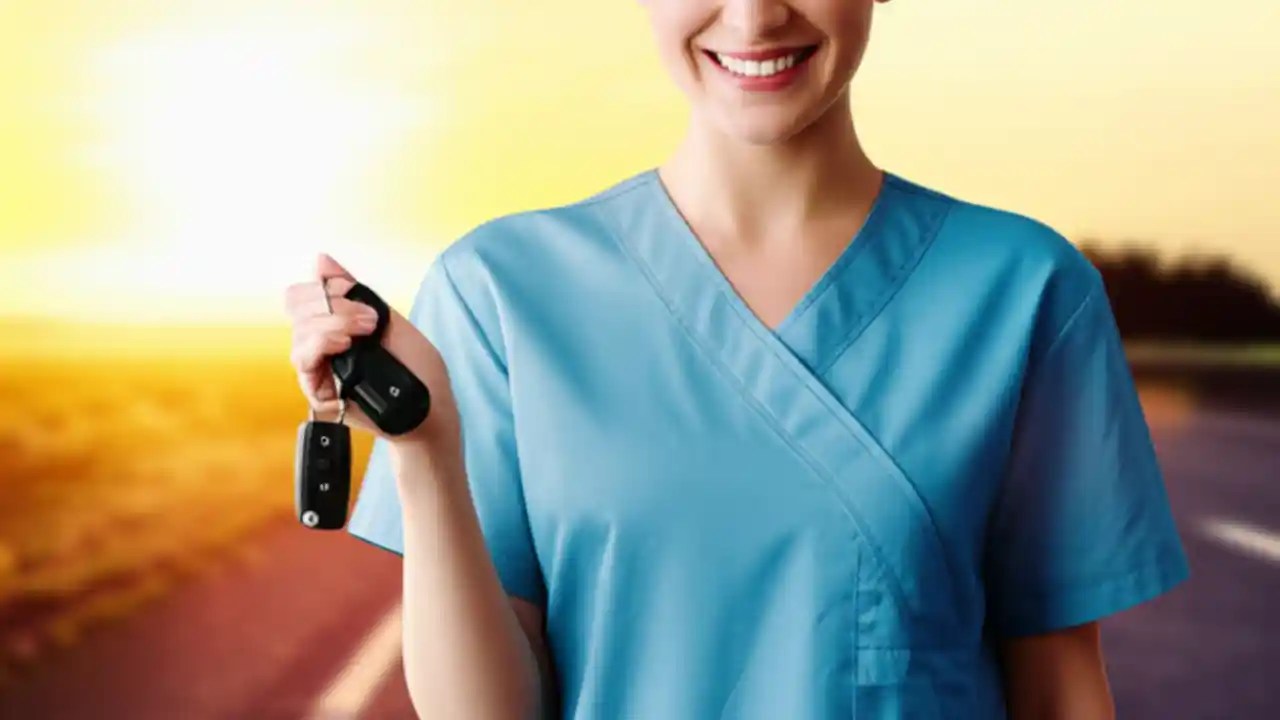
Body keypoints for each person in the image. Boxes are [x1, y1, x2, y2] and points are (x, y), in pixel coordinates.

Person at [284, 0, 1190, 717]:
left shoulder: (1025, 288)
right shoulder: (499, 292)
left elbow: (1058, 689)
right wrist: (426, 454)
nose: (755, 18)